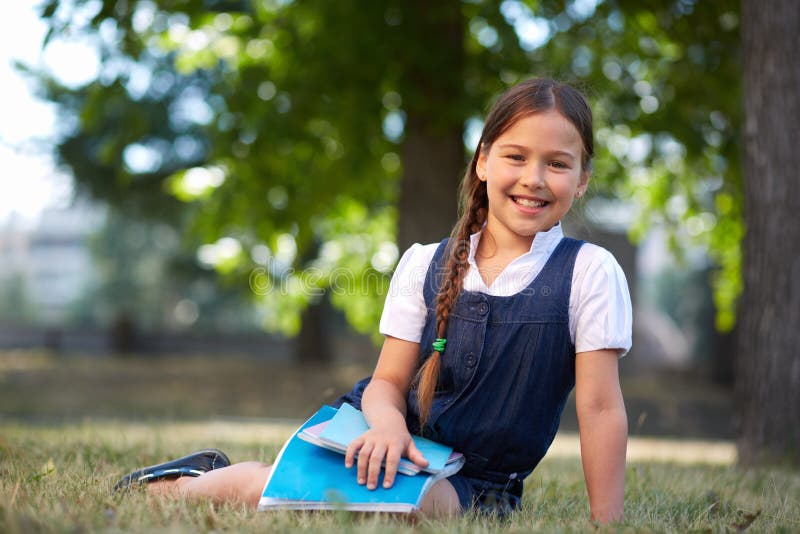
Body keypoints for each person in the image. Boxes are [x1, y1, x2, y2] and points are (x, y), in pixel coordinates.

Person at [115, 77, 631, 523]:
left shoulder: (589, 272)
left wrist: (605, 523)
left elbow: (601, 407)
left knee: (414, 509)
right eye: (515, 156)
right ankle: (184, 485)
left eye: (558, 164)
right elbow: (387, 383)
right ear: (482, 163)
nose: (534, 178)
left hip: (477, 482)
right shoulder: (426, 263)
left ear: (582, 179)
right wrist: (386, 427)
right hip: (377, 439)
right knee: (279, 493)